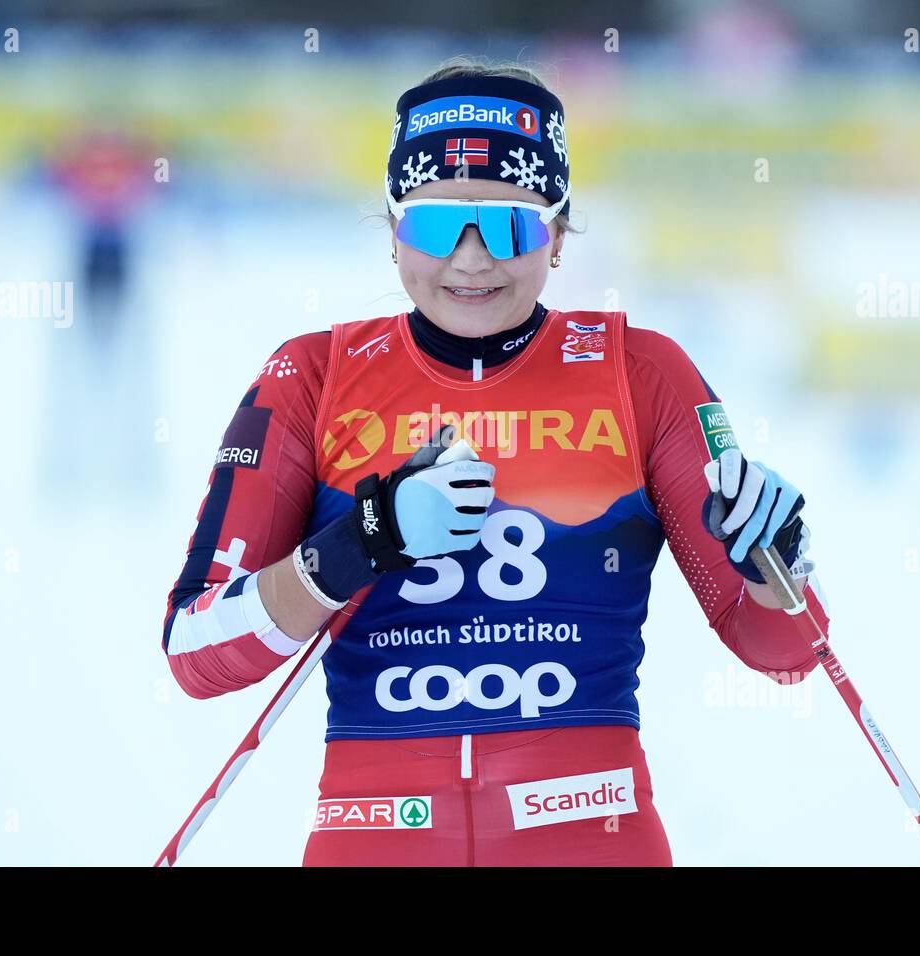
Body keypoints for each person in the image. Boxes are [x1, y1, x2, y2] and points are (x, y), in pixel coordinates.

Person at [161, 57, 831, 866]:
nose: (472, 260)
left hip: (592, 834)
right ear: (392, 228)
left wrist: (777, 557)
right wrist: (362, 541)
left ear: (559, 233)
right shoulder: (312, 378)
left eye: (512, 225)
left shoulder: (641, 373)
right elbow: (196, 652)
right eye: (437, 226)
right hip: (377, 836)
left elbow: (788, 654)